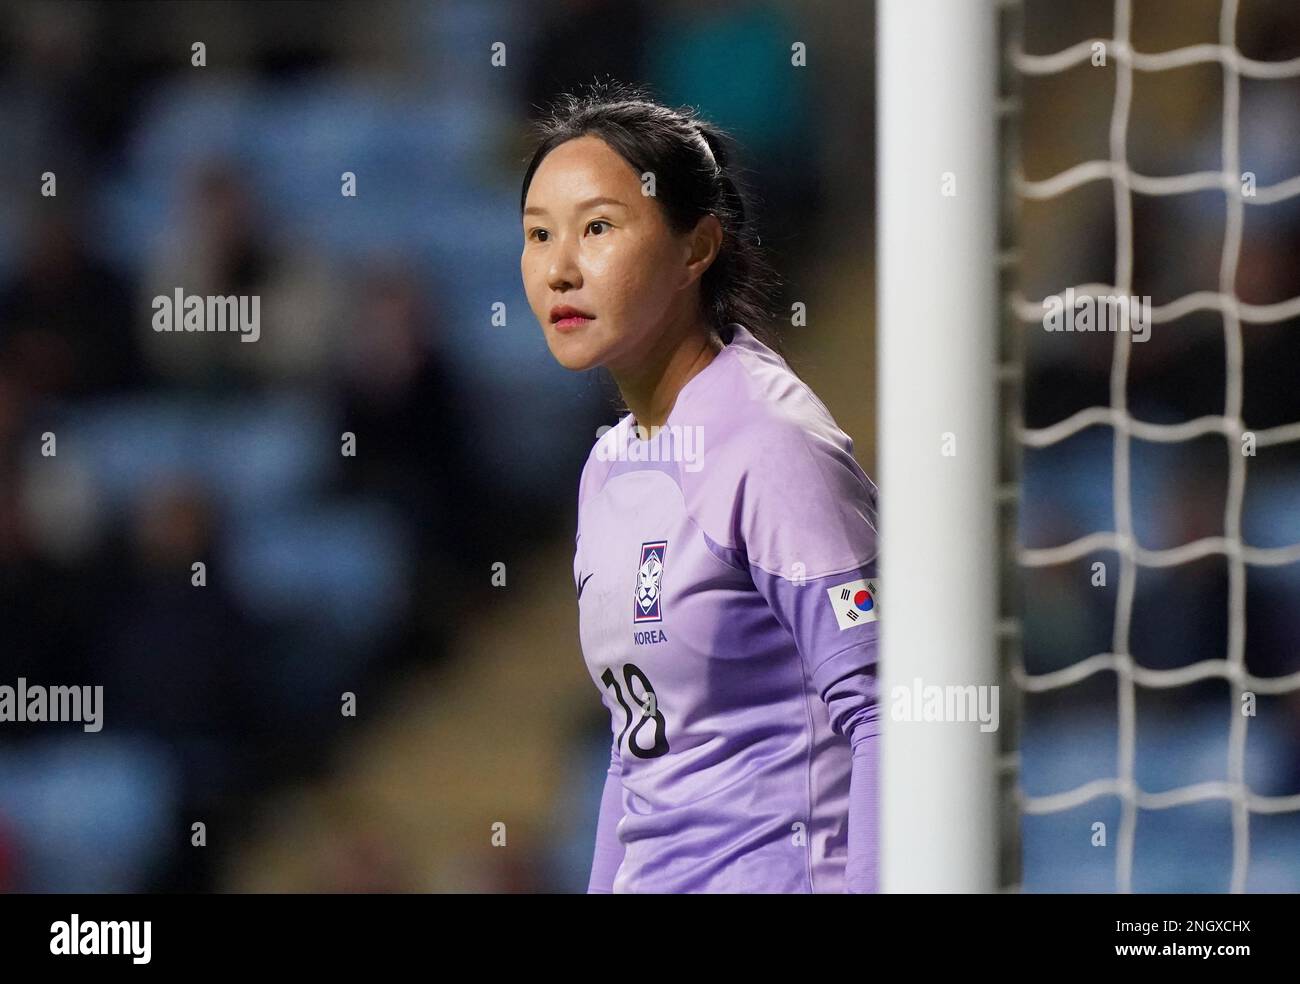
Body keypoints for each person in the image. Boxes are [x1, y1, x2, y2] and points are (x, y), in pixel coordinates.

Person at [519, 81, 880, 893]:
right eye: (538, 235)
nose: (560, 269)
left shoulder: (771, 447)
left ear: (696, 247)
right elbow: (636, 745)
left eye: (598, 228)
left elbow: (885, 716)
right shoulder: (609, 464)